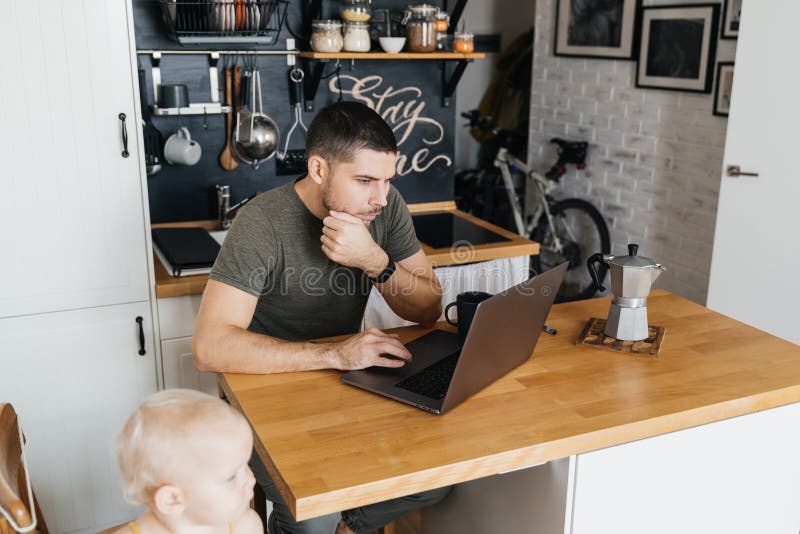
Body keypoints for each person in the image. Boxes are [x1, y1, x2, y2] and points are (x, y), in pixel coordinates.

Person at [193, 101, 450, 533]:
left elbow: (428, 309)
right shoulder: (261, 222)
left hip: (346, 383)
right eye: (365, 181)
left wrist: (375, 261)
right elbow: (209, 347)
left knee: (442, 470)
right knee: (312, 520)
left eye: (388, 180)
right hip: (264, 391)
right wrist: (334, 354)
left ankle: (350, 526)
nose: (380, 197)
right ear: (318, 169)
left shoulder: (384, 208)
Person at [113, 389, 262, 534]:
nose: (251, 480)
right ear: (172, 499)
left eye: (246, 464)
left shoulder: (247, 527)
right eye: (231, 477)